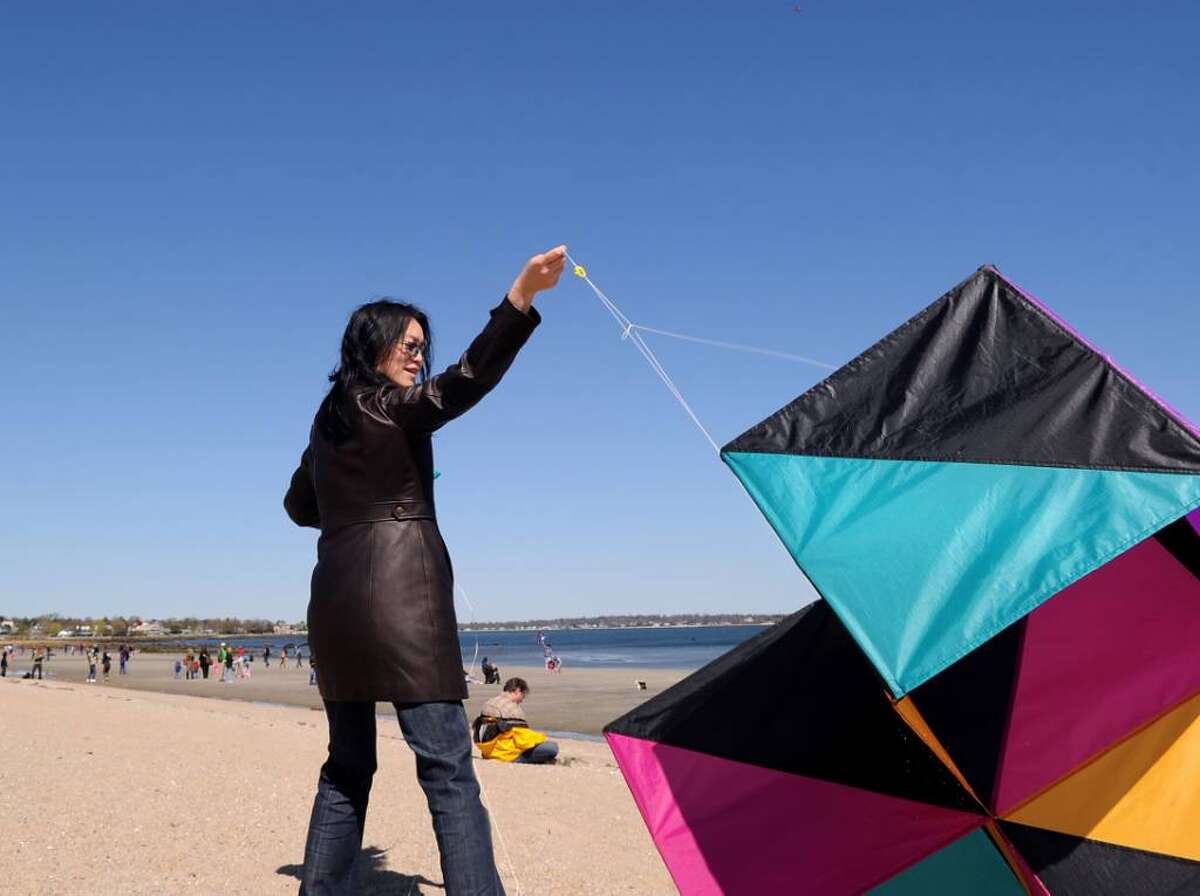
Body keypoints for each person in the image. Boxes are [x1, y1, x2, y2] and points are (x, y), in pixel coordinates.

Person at [284, 245, 564, 895]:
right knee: (447, 770)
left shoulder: (327, 422)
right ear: (372, 345)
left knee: (348, 766)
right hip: (403, 600)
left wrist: (355, 508)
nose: (417, 355)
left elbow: (300, 506)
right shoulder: (387, 404)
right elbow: (464, 380)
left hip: (336, 602)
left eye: (421, 345)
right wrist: (519, 300)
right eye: (406, 344)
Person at [473, 678, 558, 765]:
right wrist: (541, 739)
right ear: (518, 691)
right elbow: (524, 740)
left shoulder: (488, 704)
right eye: (523, 696)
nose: (522, 700)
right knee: (552, 748)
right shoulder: (512, 709)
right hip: (507, 755)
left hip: (487, 753)